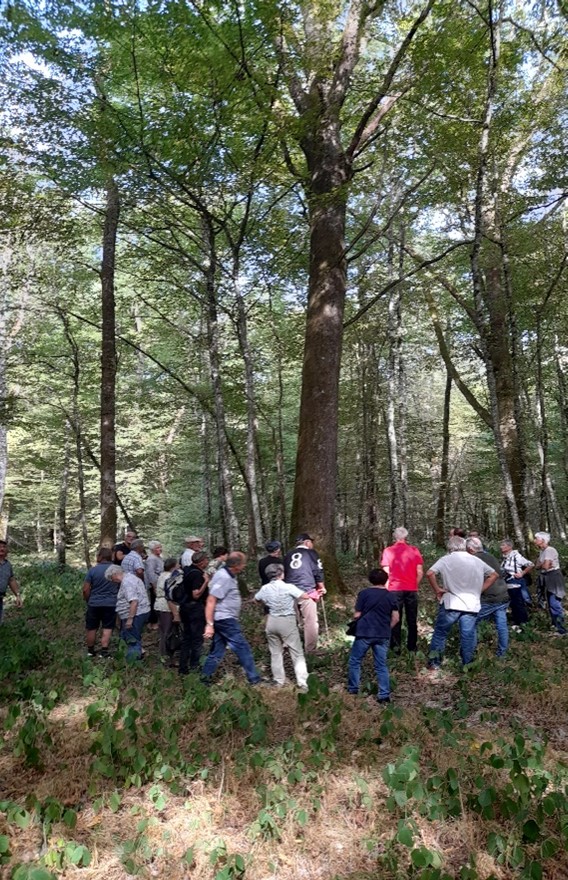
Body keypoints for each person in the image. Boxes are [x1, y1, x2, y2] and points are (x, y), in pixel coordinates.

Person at [426, 536, 498, 670]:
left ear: (450, 547)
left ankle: (435, 663)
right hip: (472, 604)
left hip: (451, 603)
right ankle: (468, 664)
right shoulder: (476, 560)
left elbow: (430, 573)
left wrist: (437, 590)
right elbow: (494, 575)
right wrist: (479, 590)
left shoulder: (446, 559)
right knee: (468, 635)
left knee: (441, 633)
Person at [201, 552, 262, 685]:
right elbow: (211, 600)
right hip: (225, 620)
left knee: (217, 651)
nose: (244, 566)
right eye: (243, 564)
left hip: (225, 618)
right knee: (243, 648)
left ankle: (204, 680)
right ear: (235, 565)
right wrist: (209, 624)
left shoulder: (229, 575)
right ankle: (254, 679)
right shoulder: (223, 577)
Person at [347, 569, 400, 704]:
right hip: (382, 634)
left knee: (355, 661)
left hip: (364, 633)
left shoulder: (364, 594)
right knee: (381, 665)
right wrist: (387, 628)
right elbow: (396, 617)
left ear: (370, 579)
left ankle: (353, 690)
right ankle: (384, 695)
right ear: (386, 580)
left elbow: (357, 615)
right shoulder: (391, 596)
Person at [255, 563, 310, 689]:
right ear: (281, 574)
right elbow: (304, 596)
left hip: (272, 620)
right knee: (296, 652)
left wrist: (266, 602)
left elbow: (256, 599)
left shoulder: (265, 588)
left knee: (275, 652)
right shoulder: (288, 587)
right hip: (287, 621)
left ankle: (278, 681)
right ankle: (303, 682)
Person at [380, 527, 423, 653]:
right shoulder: (414, 550)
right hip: (411, 589)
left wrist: (387, 588)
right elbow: (419, 572)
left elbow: (386, 572)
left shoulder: (388, 551)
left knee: (395, 618)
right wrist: (414, 584)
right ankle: (412, 647)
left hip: (394, 589)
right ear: (406, 537)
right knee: (412, 619)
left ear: (395, 537)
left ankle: (395, 648)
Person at [466, 537, 510, 657]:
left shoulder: (473, 560)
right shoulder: (490, 556)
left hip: (489, 598)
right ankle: (503, 653)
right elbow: (500, 573)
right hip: (503, 595)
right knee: (501, 624)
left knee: (471, 622)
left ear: (469, 548)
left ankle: (470, 653)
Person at [283, 533, 326, 653]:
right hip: (306, 590)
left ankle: (288, 644)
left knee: (290, 618)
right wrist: (321, 587)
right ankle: (310, 649)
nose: (312, 544)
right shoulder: (312, 554)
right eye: (311, 542)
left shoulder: (288, 554)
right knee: (310, 621)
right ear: (307, 542)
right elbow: (318, 571)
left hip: (289, 590)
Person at [105, 564, 150, 661]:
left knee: (132, 639)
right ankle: (140, 652)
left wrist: (130, 619)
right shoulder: (131, 577)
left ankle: (132, 662)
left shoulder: (127, 583)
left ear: (115, 574)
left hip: (135, 614)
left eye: (111, 578)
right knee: (125, 636)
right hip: (139, 612)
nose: (112, 581)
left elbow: (134, 601)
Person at [83, 547, 118, 658]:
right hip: (111, 603)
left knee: (91, 627)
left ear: (100, 557)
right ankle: (104, 651)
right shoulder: (116, 570)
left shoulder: (93, 570)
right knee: (107, 627)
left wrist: (89, 600)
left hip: (94, 603)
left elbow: (85, 589)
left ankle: (90, 651)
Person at [179, 550, 210, 675]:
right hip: (195, 609)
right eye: (206, 560)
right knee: (197, 639)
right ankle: (194, 667)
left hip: (185, 608)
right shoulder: (197, 575)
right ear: (202, 562)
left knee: (187, 638)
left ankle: (183, 667)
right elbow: (196, 594)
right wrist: (206, 582)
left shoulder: (187, 570)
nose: (207, 562)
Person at [534, 532, 567, 635]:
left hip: (554, 578)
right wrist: (542, 564)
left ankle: (561, 630)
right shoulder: (542, 551)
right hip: (547, 578)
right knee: (549, 602)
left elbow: (545, 566)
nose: (535, 541)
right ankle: (555, 625)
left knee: (554, 603)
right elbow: (537, 565)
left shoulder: (550, 550)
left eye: (536, 539)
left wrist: (543, 564)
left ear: (542, 540)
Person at [500, 538, 534, 624]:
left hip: (516, 582)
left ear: (509, 547)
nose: (501, 547)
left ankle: (523, 622)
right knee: (513, 603)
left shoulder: (516, 556)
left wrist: (522, 573)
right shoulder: (505, 558)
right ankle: (516, 620)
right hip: (508, 582)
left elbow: (530, 564)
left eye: (503, 545)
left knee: (518, 602)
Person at [155, 557, 181, 664]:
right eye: (178, 564)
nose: (179, 566)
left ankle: (167, 655)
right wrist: (175, 613)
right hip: (166, 607)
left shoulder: (162, 575)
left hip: (161, 606)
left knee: (166, 631)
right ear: (173, 566)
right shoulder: (170, 577)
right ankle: (165, 657)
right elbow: (169, 595)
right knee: (167, 632)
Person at [0, 540, 22, 624]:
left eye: (4, 547)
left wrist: (18, 595)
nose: (2, 549)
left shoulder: (7, 565)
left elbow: (11, 580)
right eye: (0, 546)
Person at [145, 540, 164, 630]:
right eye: (157, 548)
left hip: (160, 583)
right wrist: (154, 586)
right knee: (154, 603)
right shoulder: (151, 559)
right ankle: (153, 622)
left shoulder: (158, 557)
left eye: (160, 547)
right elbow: (150, 573)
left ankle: (156, 621)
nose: (160, 549)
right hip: (155, 584)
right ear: (152, 549)